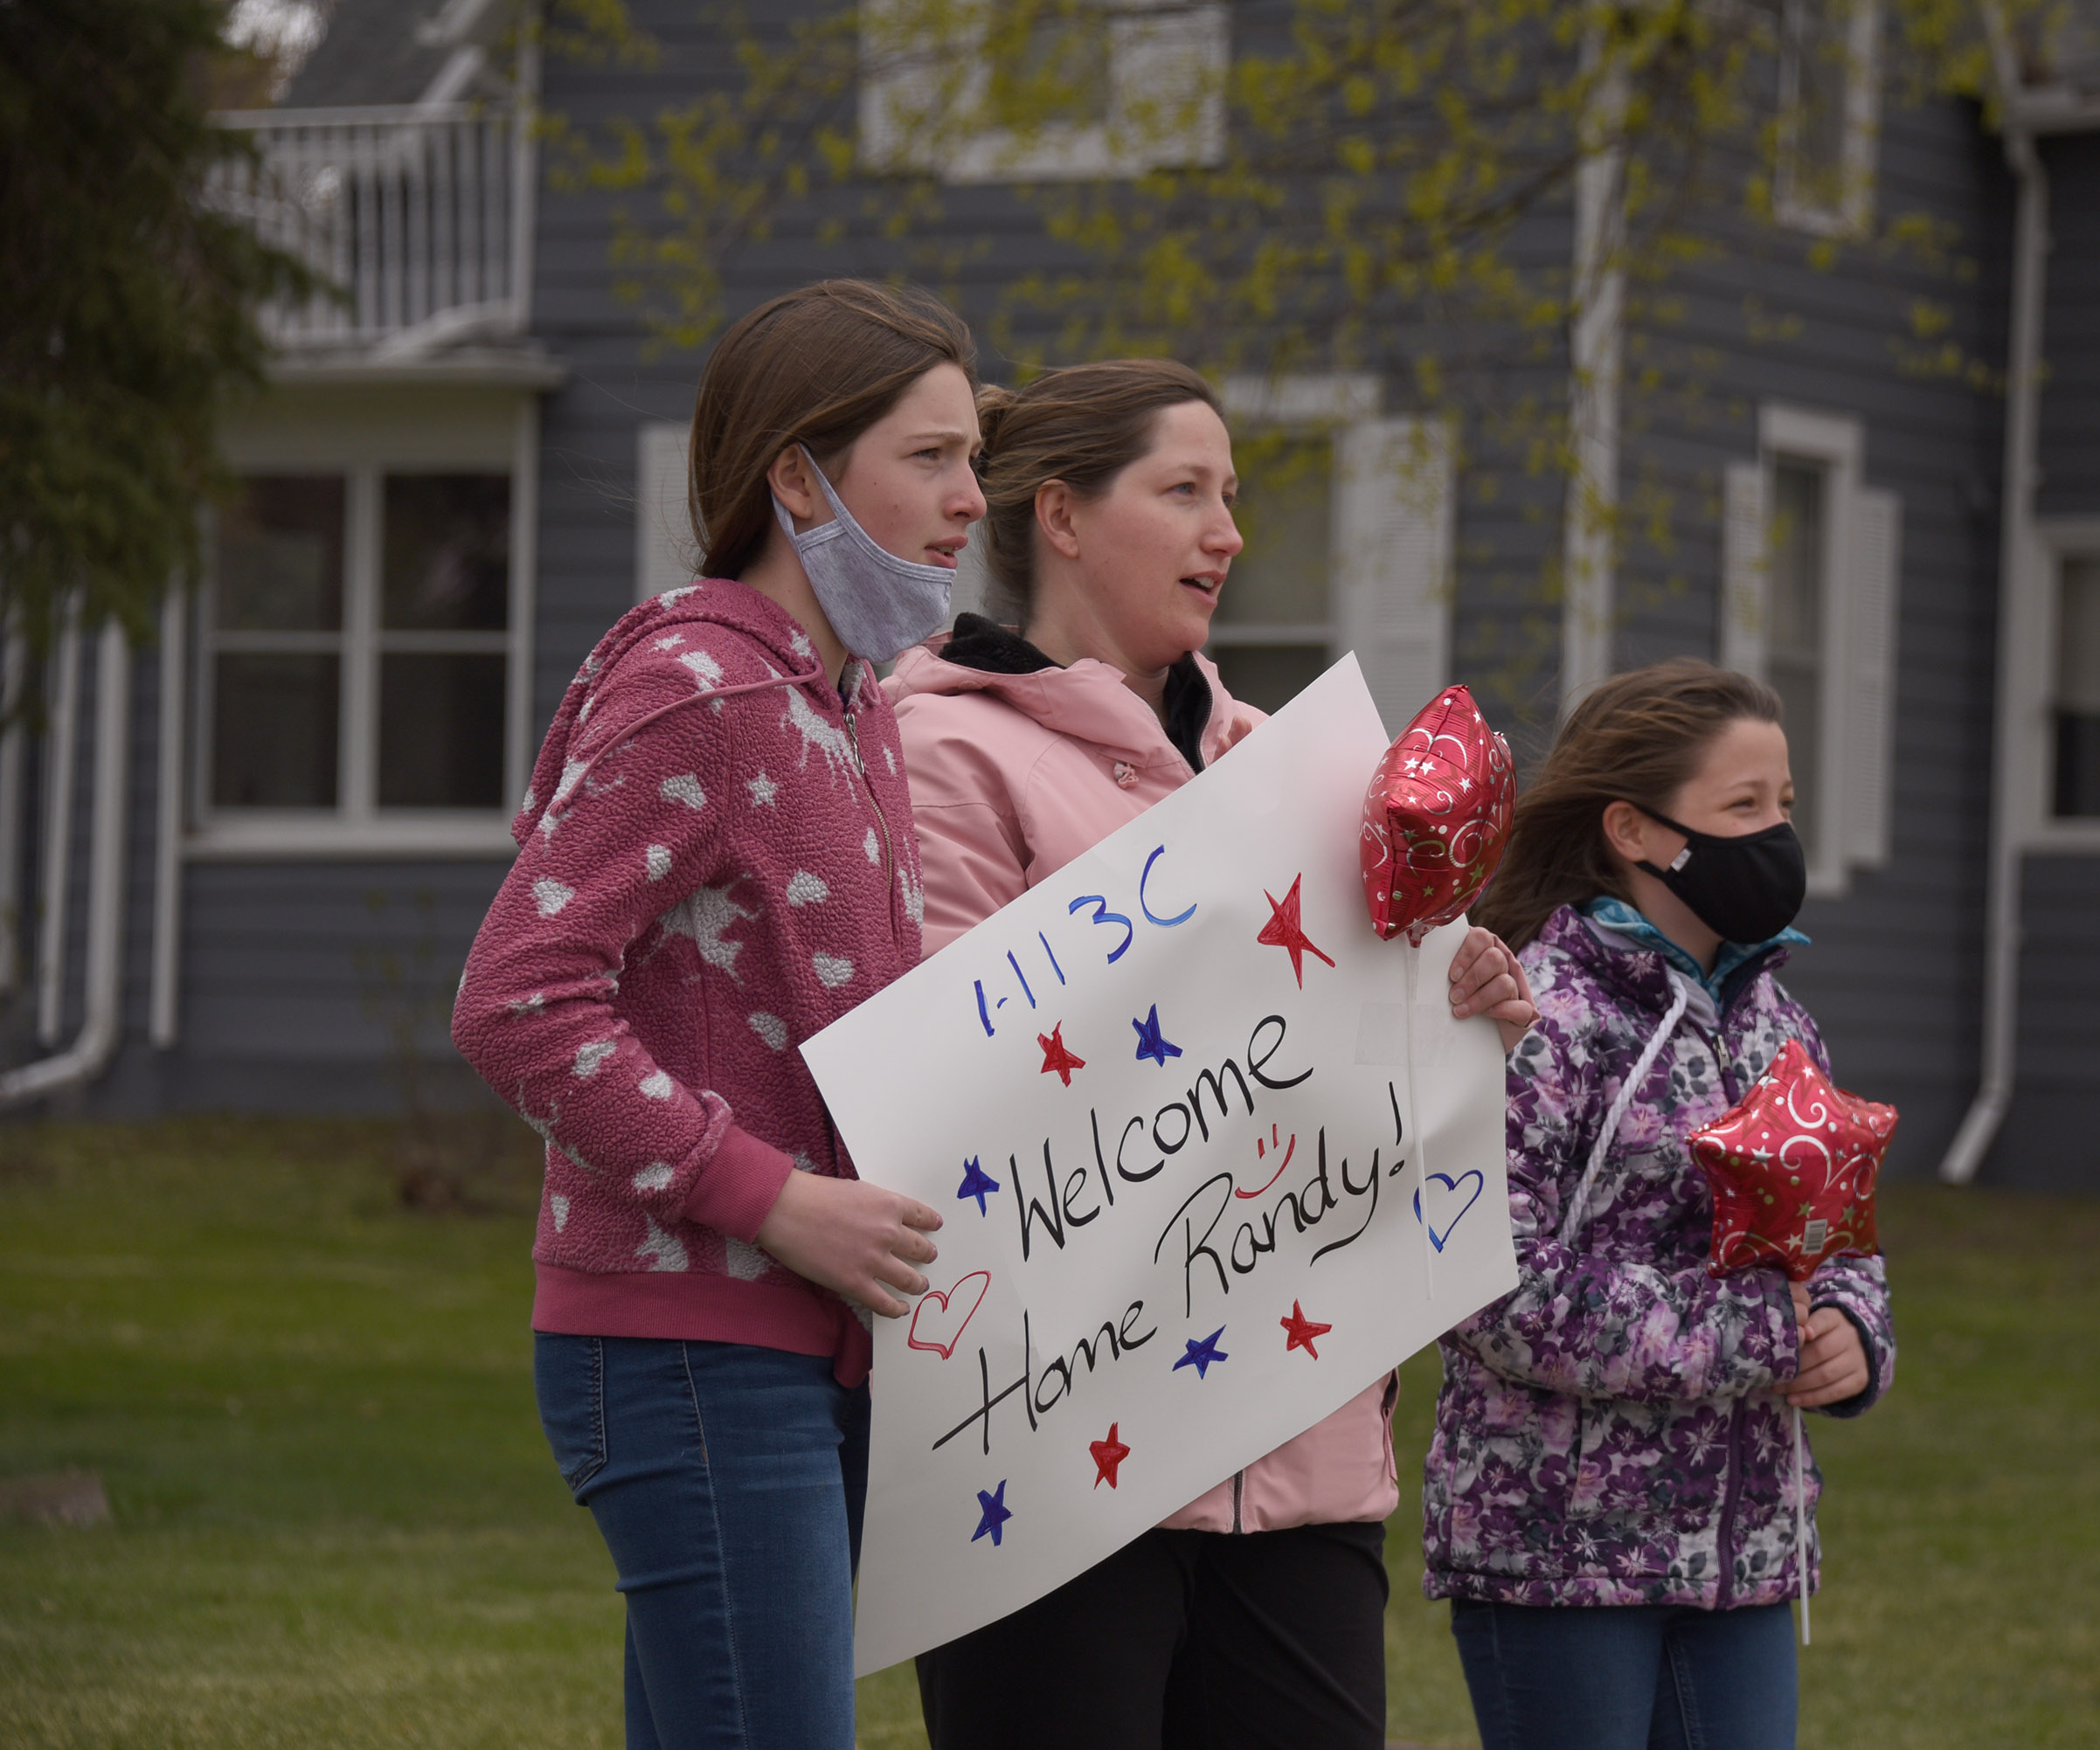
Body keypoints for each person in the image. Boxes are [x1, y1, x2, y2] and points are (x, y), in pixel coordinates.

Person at [888, 357, 1535, 1750]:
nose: (1229, 531)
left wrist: (1454, 997)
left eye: (1229, 494)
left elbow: (1352, 1068)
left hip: (1302, 1455)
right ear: (1062, 515)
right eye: (1183, 490)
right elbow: (957, 1097)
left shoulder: (1297, 771)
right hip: (1057, 1465)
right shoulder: (943, 751)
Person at [451, 278, 985, 1749]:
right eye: (930, 456)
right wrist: (776, 1199)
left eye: (974, 458)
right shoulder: (700, 687)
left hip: (803, 1342)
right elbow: (515, 999)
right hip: (687, 1345)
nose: (971, 497)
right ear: (798, 478)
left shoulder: (855, 702)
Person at [1424, 659, 1896, 1750]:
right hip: (1560, 1557)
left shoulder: (1781, 1022)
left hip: (1746, 1556)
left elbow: (1838, 1231)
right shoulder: (1538, 1016)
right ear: (1634, 829)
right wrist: (1757, 1331)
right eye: (1744, 806)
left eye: (1784, 804)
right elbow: (1491, 1282)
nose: (1778, 835)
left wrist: (1852, 1327)